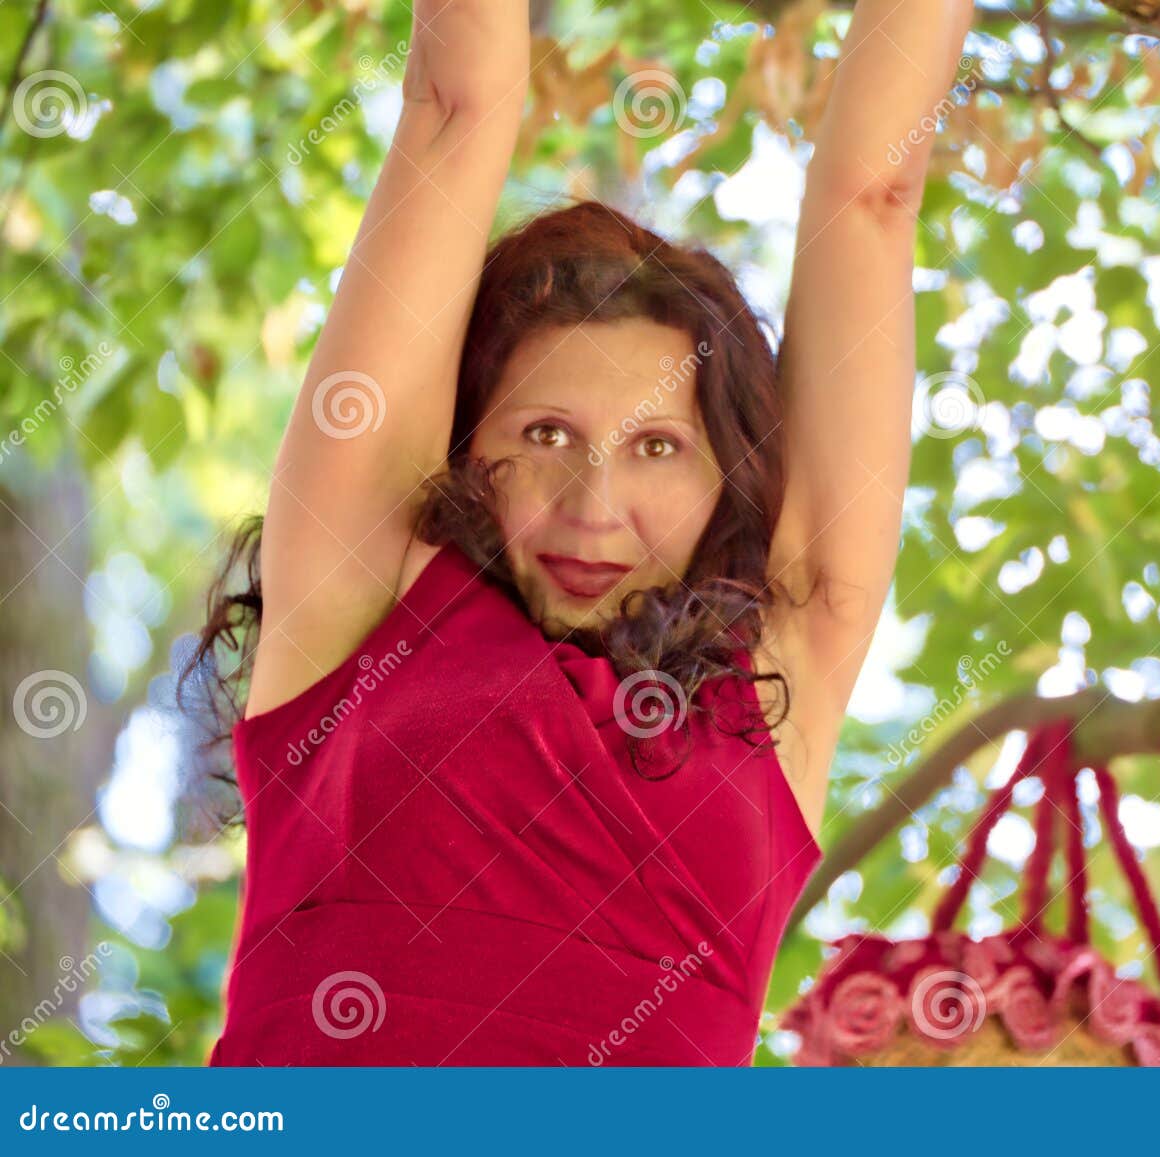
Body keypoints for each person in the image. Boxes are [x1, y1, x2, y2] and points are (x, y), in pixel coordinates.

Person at [188, 0, 975, 1065]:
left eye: (657, 446)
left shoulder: (781, 657)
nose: (594, 502)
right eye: (547, 432)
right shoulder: (365, 586)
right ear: (469, 446)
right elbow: (453, 110)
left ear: (726, 480)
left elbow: (873, 194)